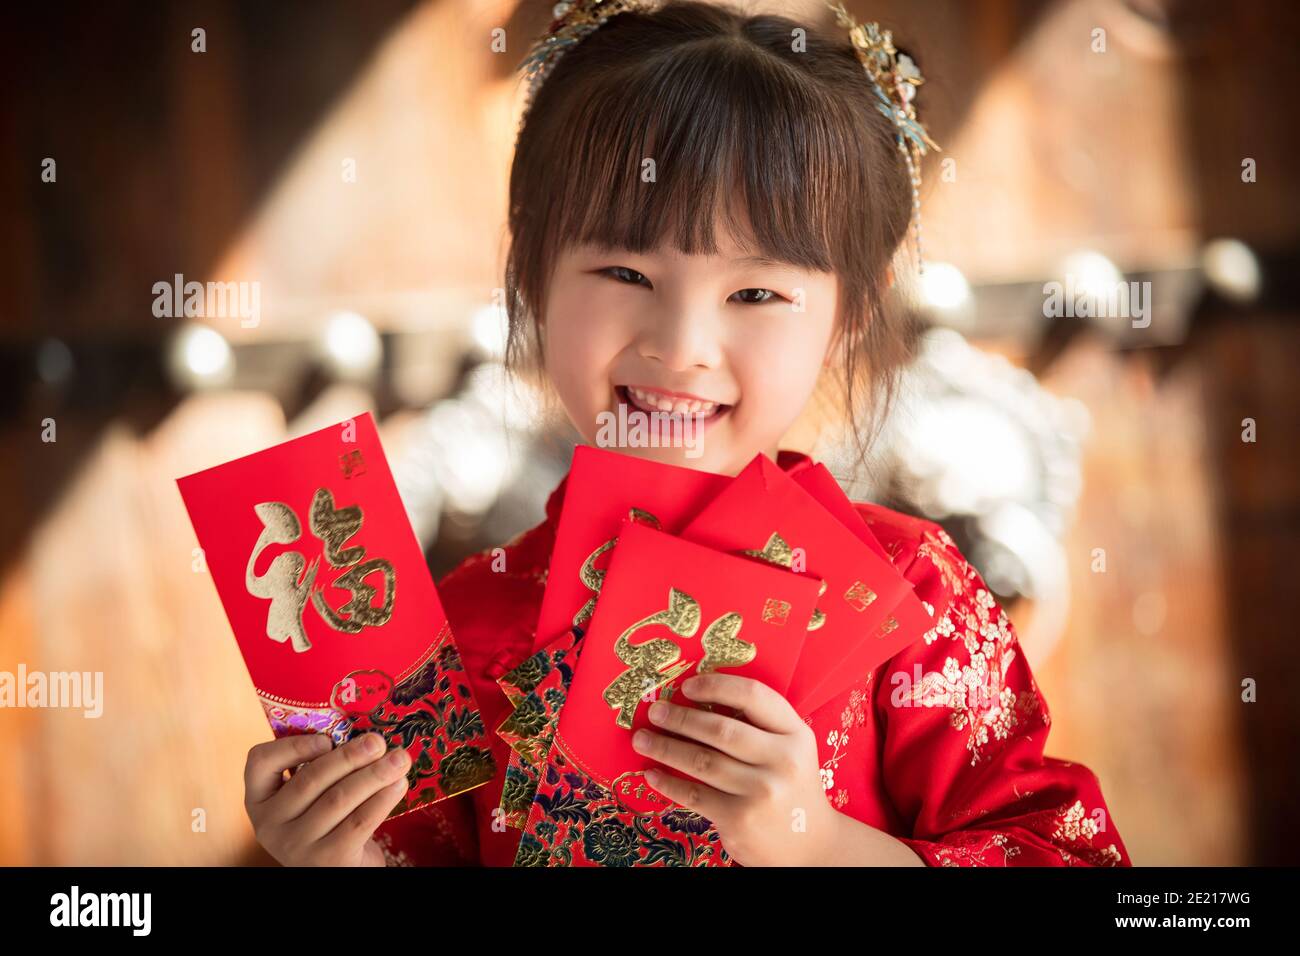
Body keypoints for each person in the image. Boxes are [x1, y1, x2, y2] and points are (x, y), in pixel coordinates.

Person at [243, 0, 1132, 867]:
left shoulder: (919, 599)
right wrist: (335, 854)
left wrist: (817, 844)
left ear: (852, 312)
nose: (678, 347)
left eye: (754, 293)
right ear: (531, 274)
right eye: (626, 271)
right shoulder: (462, 625)